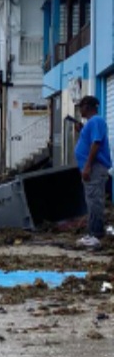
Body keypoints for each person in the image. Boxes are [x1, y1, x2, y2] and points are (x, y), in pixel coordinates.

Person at [73, 95, 111, 249]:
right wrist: (82, 131)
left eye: (81, 106)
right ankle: (93, 232)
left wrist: (88, 166)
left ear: (87, 106)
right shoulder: (91, 123)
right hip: (91, 168)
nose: (79, 110)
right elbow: (90, 141)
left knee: (95, 200)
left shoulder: (96, 121)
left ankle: (96, 235)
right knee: (92, 200)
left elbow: (96, 144)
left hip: (95, 168)